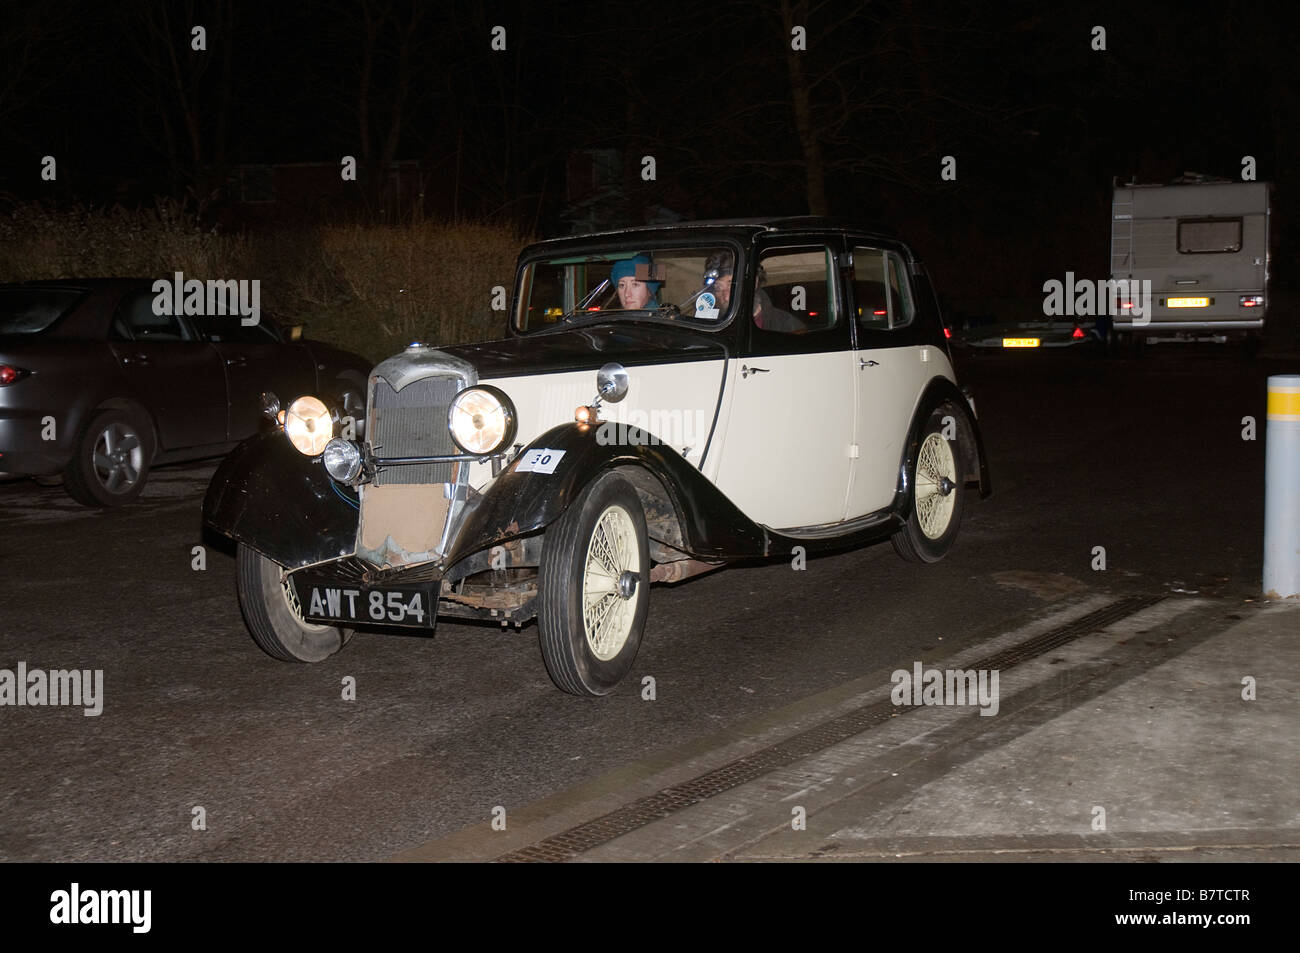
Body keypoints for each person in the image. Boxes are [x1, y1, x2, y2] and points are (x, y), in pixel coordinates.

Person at [700, 251, 804, 331]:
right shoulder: (710, 326)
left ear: (754, 282)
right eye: (718, 287)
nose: (726, 297)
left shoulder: (786, 326)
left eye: (732, 284)